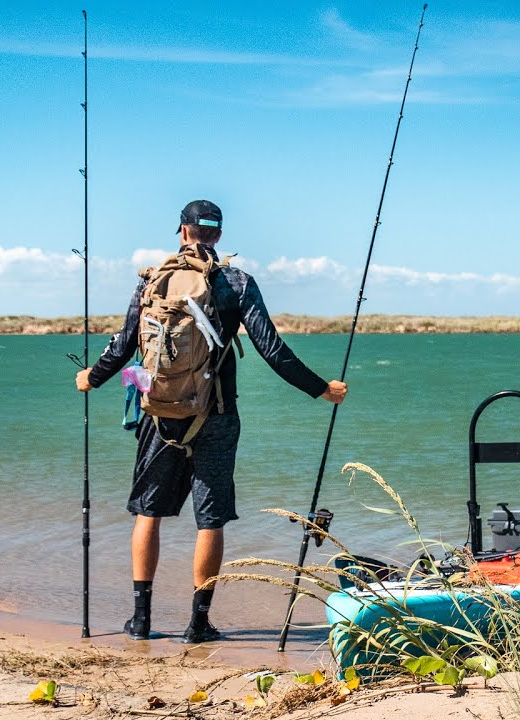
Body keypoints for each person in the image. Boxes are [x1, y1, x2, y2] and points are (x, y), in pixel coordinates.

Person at [75, 199, 348, 643]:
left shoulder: (150, 281)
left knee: (149, 513)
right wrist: (322, 389)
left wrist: (92, 376)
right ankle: (198, 624)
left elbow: (124, 345)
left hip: (157, 415)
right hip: (216, 417)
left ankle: (141, 620)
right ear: (217, 236)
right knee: (210, 519)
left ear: (181, 231)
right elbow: (273, 351)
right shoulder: (236, 283)